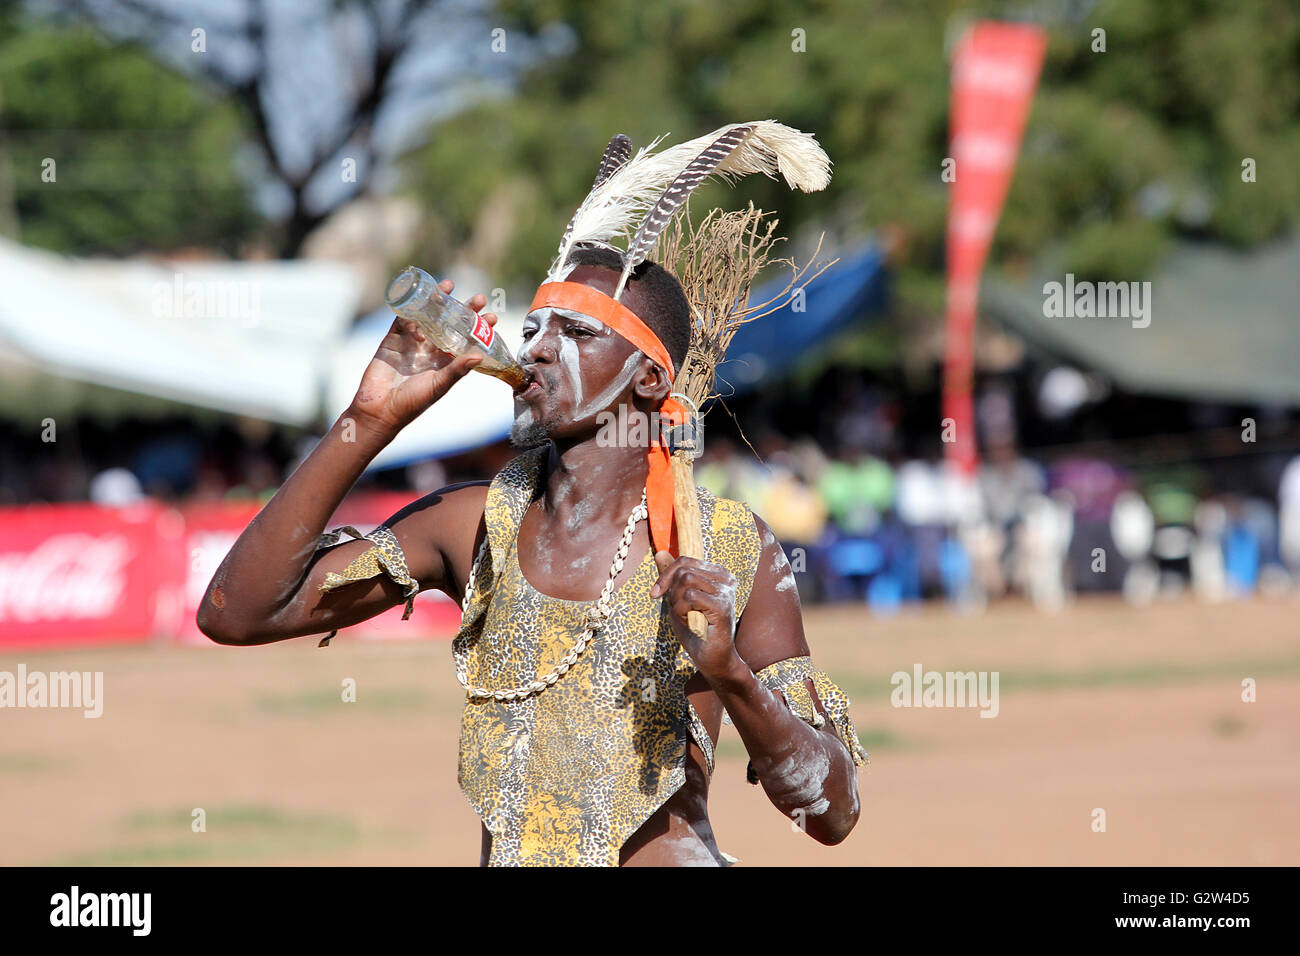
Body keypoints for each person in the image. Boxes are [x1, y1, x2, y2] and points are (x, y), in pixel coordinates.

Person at [198, 122, 866, 867]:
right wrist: (367, 420)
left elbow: (833, 811)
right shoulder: (472, 525)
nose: (538, 347)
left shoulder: (727, 548)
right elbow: (237, 612)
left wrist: (731, 677)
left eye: (576, 331)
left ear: (650, 378)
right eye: (535, 327)